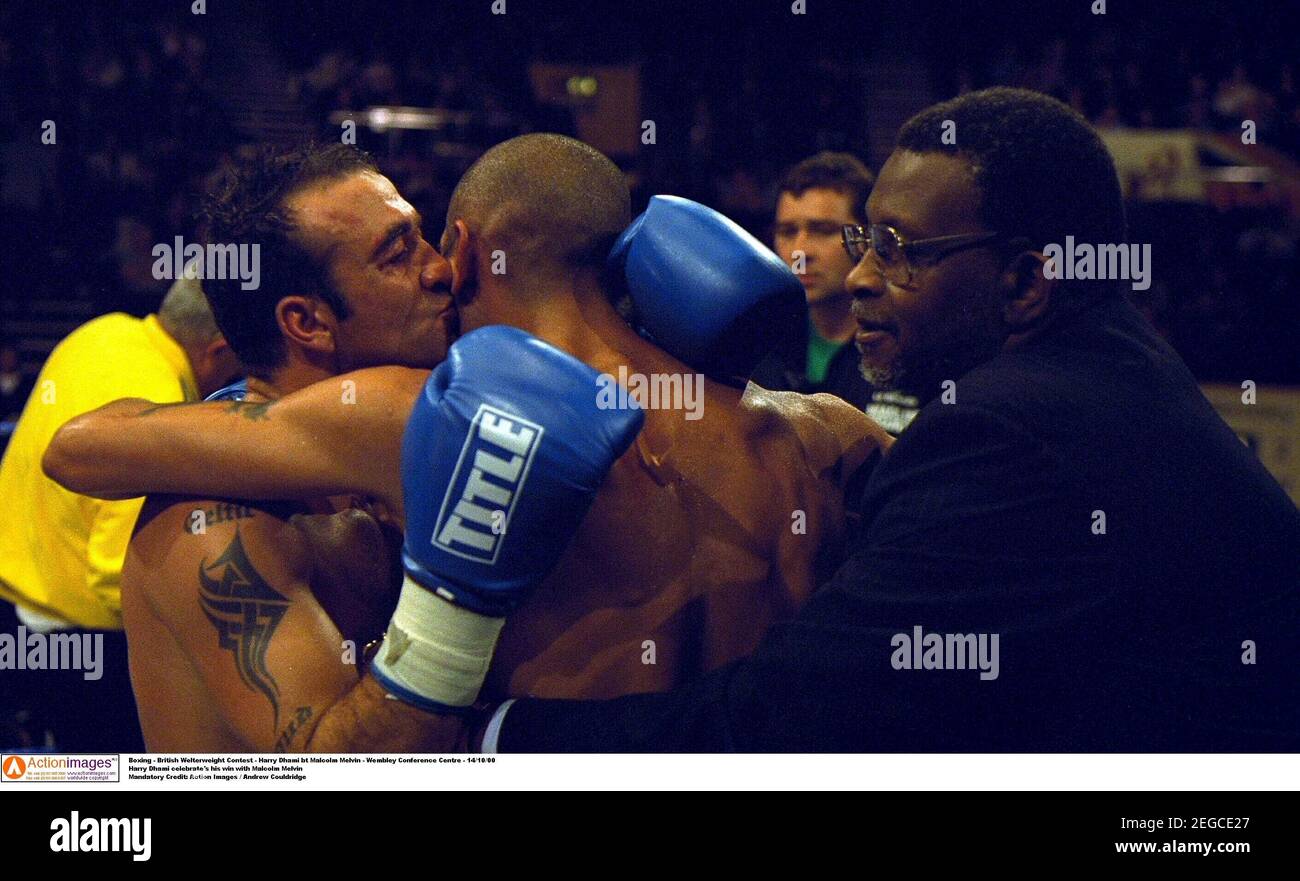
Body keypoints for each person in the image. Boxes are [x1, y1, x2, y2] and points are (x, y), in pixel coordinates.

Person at [455, 88, 1300, 751]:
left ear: (1025, 284)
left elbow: (791, 726)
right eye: (866, 240)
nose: (859, 276)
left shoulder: (1008, 433)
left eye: (898, 249)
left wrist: (495, 737)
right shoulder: (1111, 374)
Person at [47, 135, 890, 718]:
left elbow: (84, 444)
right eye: (393, 250)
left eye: (423, 245)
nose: (430, 273)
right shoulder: (824, 430)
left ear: (464, 244)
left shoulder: (404, 414)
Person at [0, 271, 241, 751]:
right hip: (72, 638)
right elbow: (116, 577)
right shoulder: (156, 403)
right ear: (218, 350)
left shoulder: (102, 330)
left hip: (15, 598)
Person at [755, 152, 878, 411]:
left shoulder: (901, 346)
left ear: (864, 238)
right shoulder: (758, 343)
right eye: (787, 232)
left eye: (823, 231)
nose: (800, 251)